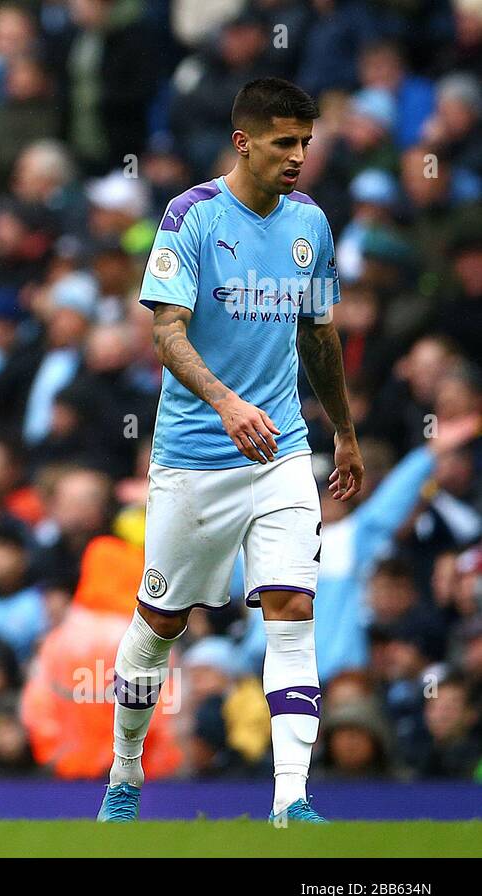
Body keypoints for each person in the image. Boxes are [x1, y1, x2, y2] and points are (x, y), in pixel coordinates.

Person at [96, 78, 365, 825]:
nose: (299, 157)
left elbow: (319, 335)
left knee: (291, 605)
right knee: (161, 621)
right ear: (244, 142)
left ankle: (291, 800)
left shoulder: (311, 222)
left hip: (281, 452)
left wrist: (342, 432)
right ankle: (124, 773)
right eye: (285, 142)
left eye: (306, 143)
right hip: (194, 457)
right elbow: (165, 331)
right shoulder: (191, 216)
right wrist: (225, 400)